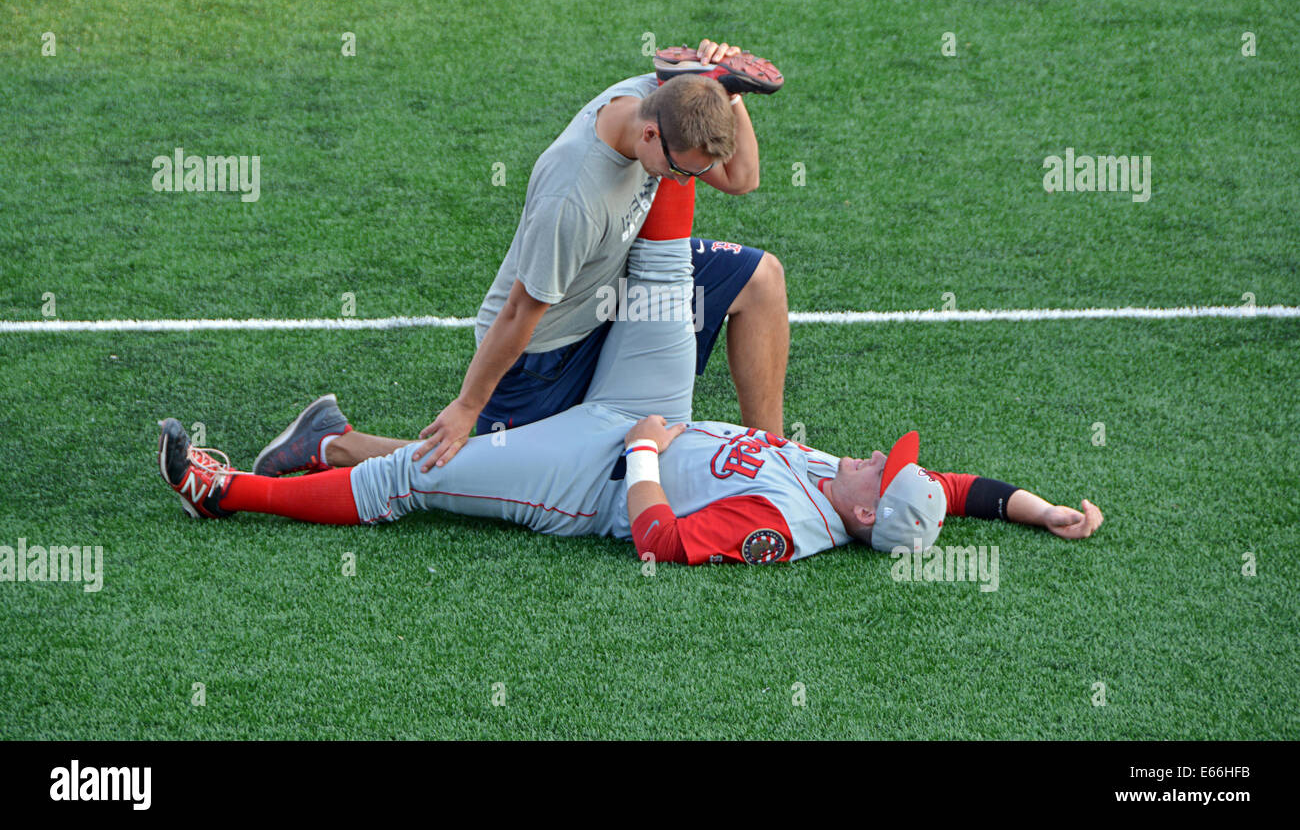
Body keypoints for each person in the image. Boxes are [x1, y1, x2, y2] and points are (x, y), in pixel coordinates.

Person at [156, 229, 1104, 565]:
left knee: (416, 476)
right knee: (658, 272)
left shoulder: (783, 529)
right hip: (647, 418)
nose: (874, 456)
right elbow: (956, 487)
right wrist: (1040, 508)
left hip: (589, 481)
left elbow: (662, 542)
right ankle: (695, 93)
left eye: (878, 470)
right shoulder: (849, 490)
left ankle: (225, 490)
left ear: (864, 514)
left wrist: (646, 453)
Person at [251, 39, 791, 484]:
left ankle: (769, 463)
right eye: (680, 171)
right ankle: (334, 442)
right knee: (491, 469)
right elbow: (518, 313)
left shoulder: (664, 105)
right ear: (652, 135)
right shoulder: (574, 198)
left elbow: (741, 179)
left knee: (761, 279)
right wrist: (466, 405)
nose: (681, 184)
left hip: (612, 286)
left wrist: (726, 89)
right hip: (545, 353)